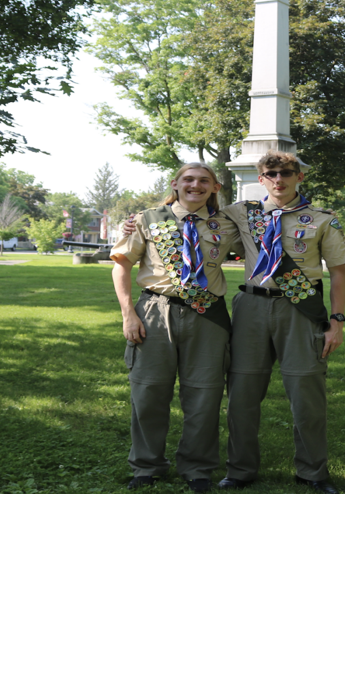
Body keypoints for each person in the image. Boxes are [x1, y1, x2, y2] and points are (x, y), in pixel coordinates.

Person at [122, 152, 345, 493]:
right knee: (242, 396)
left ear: (298, 177)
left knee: (307, 395)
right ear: (261, 179)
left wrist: (336, 321)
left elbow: (338, 272)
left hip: (300, 310)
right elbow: (188, 218)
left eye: (286, 173)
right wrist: (133, 223)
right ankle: (240, 470)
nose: (279, 179)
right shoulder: (241, 213)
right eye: (271, 173)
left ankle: (312, 472)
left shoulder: (320, 220)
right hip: (251, 309)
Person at [110, 162, 233, 491]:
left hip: (208, 315)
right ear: (176, 183)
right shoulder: (149, 219)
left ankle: (197, 468)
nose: (196, 185)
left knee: (204, 395)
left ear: (215, 188)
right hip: (155, 311)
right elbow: (121, 265)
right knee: (148, 392)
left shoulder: (229, 224)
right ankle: (147, 465)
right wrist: (128, 314)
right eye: (189, 179)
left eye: (204, 180)